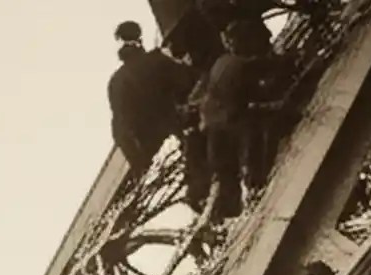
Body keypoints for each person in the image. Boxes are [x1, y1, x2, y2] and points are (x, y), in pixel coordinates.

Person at [189, 17, 287, 221]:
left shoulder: (222, 62)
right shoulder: (243, 67)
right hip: (230, 122)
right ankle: (256, 186)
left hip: (211, 124)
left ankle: (230, 211)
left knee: (224, 172)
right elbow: (259, 93)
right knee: (254, 147)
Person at [107, 21, 197, 174]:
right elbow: (189, 82)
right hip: (180, 135)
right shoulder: (157, 60)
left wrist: (139, 164)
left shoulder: (116, 82)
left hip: (153, 156)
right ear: (140, 41)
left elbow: (119, 130)